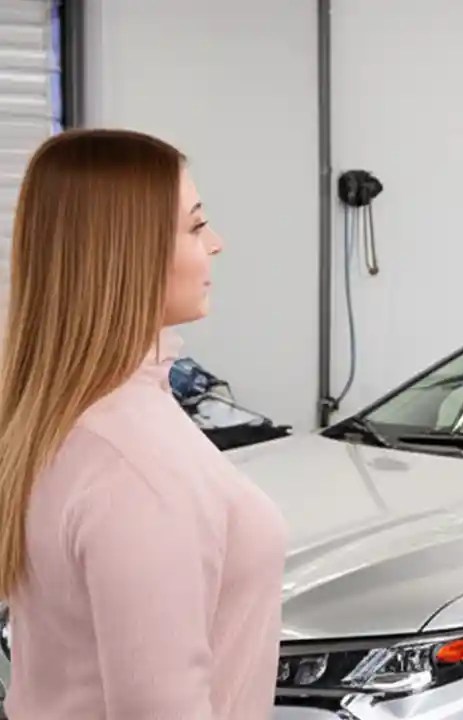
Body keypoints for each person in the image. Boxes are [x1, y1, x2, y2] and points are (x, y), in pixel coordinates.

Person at [0, 129, 288, 719]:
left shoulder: (68, 420)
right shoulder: (131, 462)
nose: (216, 244)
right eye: (195, 226)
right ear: (130, 251)